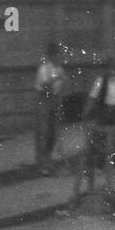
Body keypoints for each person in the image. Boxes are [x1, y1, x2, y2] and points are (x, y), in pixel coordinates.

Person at [82, 56, 115, 205]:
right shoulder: (101, 81)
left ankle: (114, 176)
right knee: (99, 143)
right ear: (107, 69)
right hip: (104, 113)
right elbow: (93, 98)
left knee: (113, 145)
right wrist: (86, 112)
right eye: (110, 68)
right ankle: (103, 171)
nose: (113, 72)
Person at [34, 42, 67, 174]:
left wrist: (59, 100)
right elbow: (45, 85)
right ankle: (43, 163)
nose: (58, 57)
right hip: (44, 101)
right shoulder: (44, 69)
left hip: (55, 101)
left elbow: (61, 87)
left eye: (59, 55)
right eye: (56, 55)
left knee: (53, 133)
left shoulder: (60, 70)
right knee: (44, 132)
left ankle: (48, 158)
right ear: (50, 56)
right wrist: (57, 78)